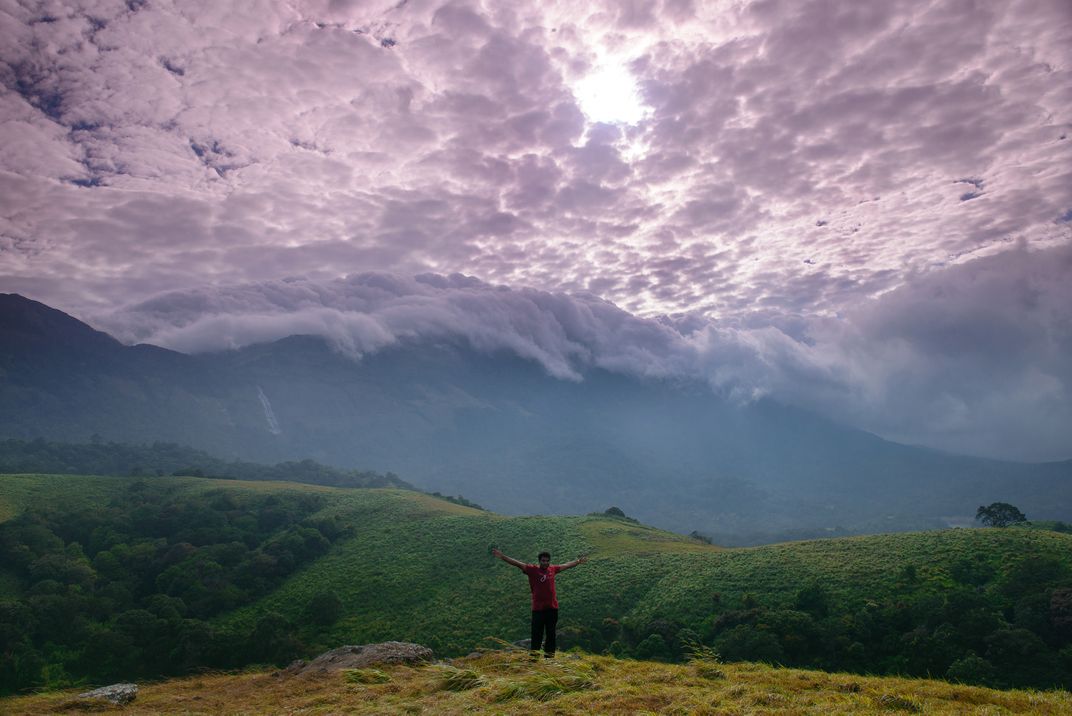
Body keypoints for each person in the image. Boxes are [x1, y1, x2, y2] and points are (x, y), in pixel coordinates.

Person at [491, 547, 588, 658]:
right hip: (538, 610)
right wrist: (503, 557)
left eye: (547, 561)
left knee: (551, 634)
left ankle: (549, 658)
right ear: (539, 561)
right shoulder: (533, 570)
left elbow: (565, 565)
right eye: (543, 561)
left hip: (552, 609)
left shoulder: (552, 569)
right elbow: (517, 563)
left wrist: (578, 562)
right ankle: (534, 658)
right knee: (537, 635)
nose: (545, 563)